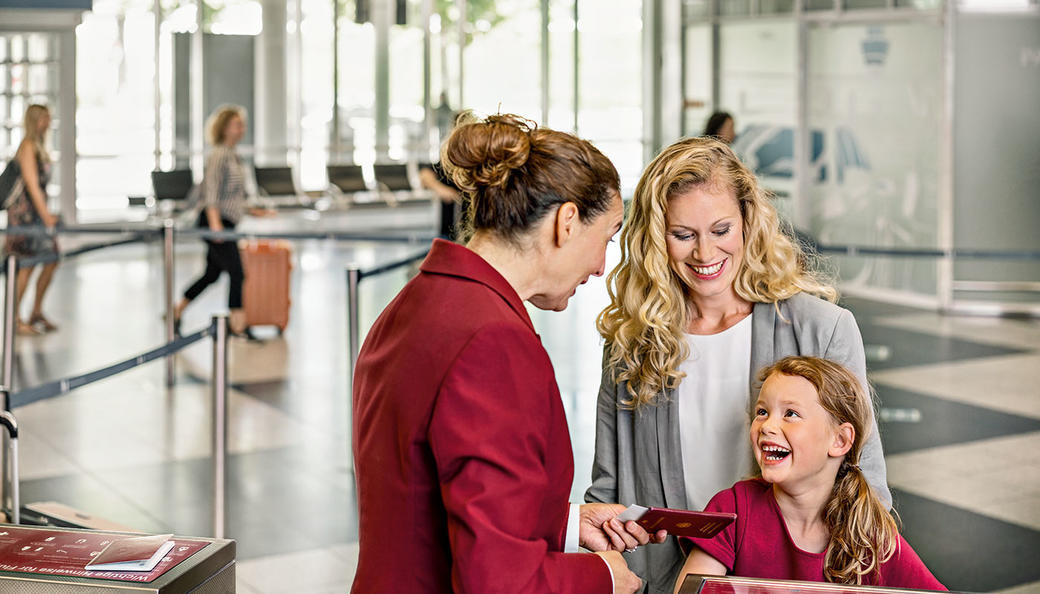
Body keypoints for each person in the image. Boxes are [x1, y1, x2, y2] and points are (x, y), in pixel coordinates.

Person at [351, 114, 662, 593]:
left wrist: (566, 523)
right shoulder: (492, 343)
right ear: (567, 221)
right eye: (607, 237)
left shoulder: (415, 303)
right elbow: (499, 583)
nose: (601, 267)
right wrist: (602, 577)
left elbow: (428, 501)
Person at [586, 136, 891, 594]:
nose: (705, 254)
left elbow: (865, 483)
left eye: (721, 230)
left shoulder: (822, 329)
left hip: (786, 582)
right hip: (659, 582)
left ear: (749, 222)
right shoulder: (633, 343)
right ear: (656, 238)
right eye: (683, 235)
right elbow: (606, 494)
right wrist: (611, 569)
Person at [673, 356, 945, 591]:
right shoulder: (731, 509)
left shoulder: (869, 534)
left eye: (790, 413)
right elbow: (693, 589)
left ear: (839, 440)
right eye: (762, 411)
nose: (768, 425)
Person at [172, 104, 261, 336]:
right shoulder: (219, 154)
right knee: (237, 272)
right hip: (215, 222)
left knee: (212, 274)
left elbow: (232, 196)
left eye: (243, 124)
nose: (242, 129)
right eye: (237, 124)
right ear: (224, 128)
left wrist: (253, 211)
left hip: (226, 221)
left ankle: (177, 311)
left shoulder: (234, 156)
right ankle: (238, 326)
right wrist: (216, 226)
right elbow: (211, 192)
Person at [2, 104, 60, 336]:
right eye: (44, 118)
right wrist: (46, 216)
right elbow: (32, 185)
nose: (47, 123)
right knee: (24, 266)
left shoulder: (40, 147)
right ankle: (14, 319)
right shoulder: (27, 146)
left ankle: (36, 311)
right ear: (35, 120)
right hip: (25, 218)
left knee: (51, 258)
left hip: (37, 217)